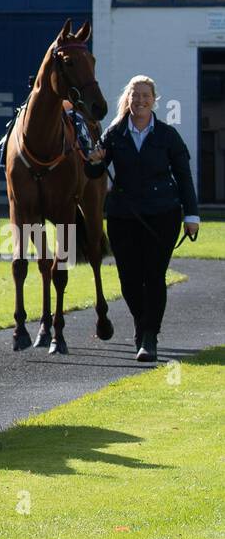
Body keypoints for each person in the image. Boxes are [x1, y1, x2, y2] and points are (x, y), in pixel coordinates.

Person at [85, 74, 200, 362]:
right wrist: (95, 161)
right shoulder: (114, 133)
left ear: (154, 100)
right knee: (129, 279)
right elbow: (94, 174)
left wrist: (192, 214)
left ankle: (148, 336)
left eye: (146, 96)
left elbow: (184, 177)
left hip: (163, 214)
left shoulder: (167, 135)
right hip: (124, 215)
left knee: (154, 275)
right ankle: (142, 326)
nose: (140, 101)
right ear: (128, 99)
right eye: (135, 96)